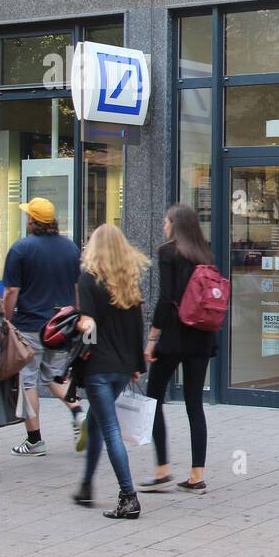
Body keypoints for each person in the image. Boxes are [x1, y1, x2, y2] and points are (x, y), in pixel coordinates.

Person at [139, 204, 218, 494]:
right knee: (194, 404)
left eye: (166, 222)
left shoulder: (168, 252)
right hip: (202, 336)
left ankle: (162, 470)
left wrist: (151, 339)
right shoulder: (205, 254)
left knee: (153, 399)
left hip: (174, 336)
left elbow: (165, 298)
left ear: (175, 225)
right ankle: (197, 476)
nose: (164, 226)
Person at [73, 224, 148, 519]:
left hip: (99, 368)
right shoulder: (128, 281)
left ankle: (128, 496)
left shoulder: (88, 280)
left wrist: (79, 325)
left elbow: (89, 325)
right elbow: (136, 327)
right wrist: (136, 366)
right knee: (95, 423)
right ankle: (86, 485)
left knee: (109, 429)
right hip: (121, 367)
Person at [2, 197, 84, 456]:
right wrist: (77, 318)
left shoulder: (21, 249)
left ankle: (34, 440)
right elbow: (77, 288)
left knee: (28, 381)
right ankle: (78, 411)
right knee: (55, 376)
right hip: (62, 326)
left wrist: (6, 320)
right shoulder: (71, 248)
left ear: (32, 220)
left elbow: (12, 291)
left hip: (30, 325)